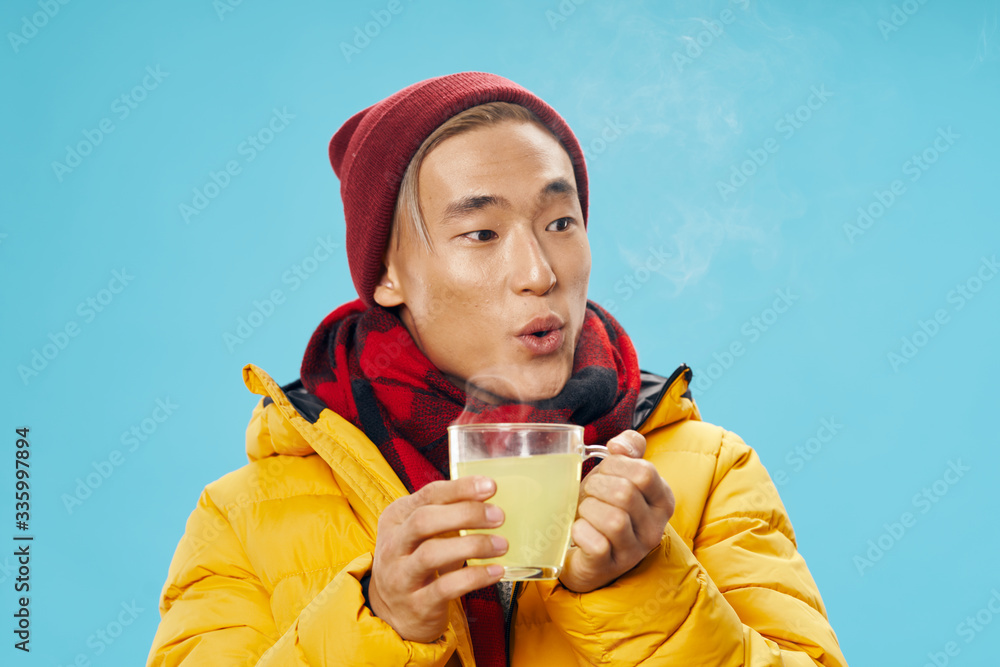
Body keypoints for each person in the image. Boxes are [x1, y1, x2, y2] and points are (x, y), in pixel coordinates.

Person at [146, 71, 848, 666]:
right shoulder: (239, 516)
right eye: (481, 233)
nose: (538, 272)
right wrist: (378, 620)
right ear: (387, 274)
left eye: (560, 223)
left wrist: (644, 589)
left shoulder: (707, 472)